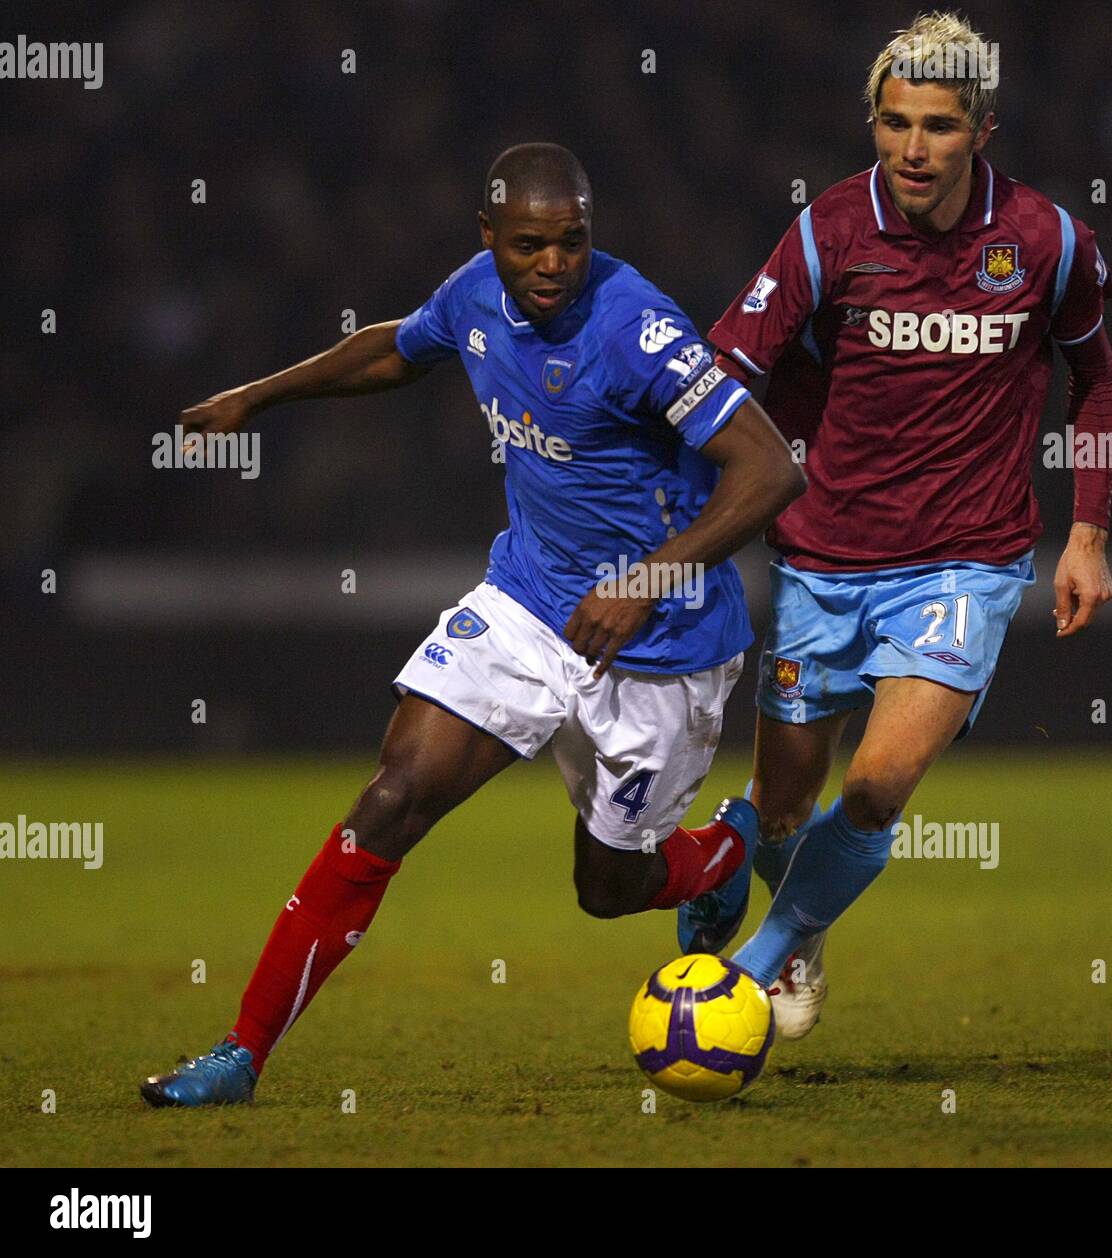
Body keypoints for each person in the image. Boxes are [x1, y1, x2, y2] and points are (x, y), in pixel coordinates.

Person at [141, 143, 804, 1106]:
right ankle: (243, 1053)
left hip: (662, 647)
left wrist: (645, 581)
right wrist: (262, 394)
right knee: (391, 799)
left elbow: (772, 470)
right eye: (529, 245)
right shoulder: (474, 296)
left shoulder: (639, 331)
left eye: (572, 244)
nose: (552, 265)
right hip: (528, 606)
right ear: (488, 239)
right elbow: (396, 347)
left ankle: (724, 851)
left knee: (607, 889)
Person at [680, 12, 1112, 1039]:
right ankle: (756, 846)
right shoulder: (826, 231)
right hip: (822, 559)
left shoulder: (1049, 242)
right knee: (788, 802)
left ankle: (751, 964)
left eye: (935, 125)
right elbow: (723, 368)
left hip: (965, 562)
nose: (911, 149)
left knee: (875, 788)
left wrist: (1087, 533)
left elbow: (1094, 376)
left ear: (983, 130)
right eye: (891, 123)